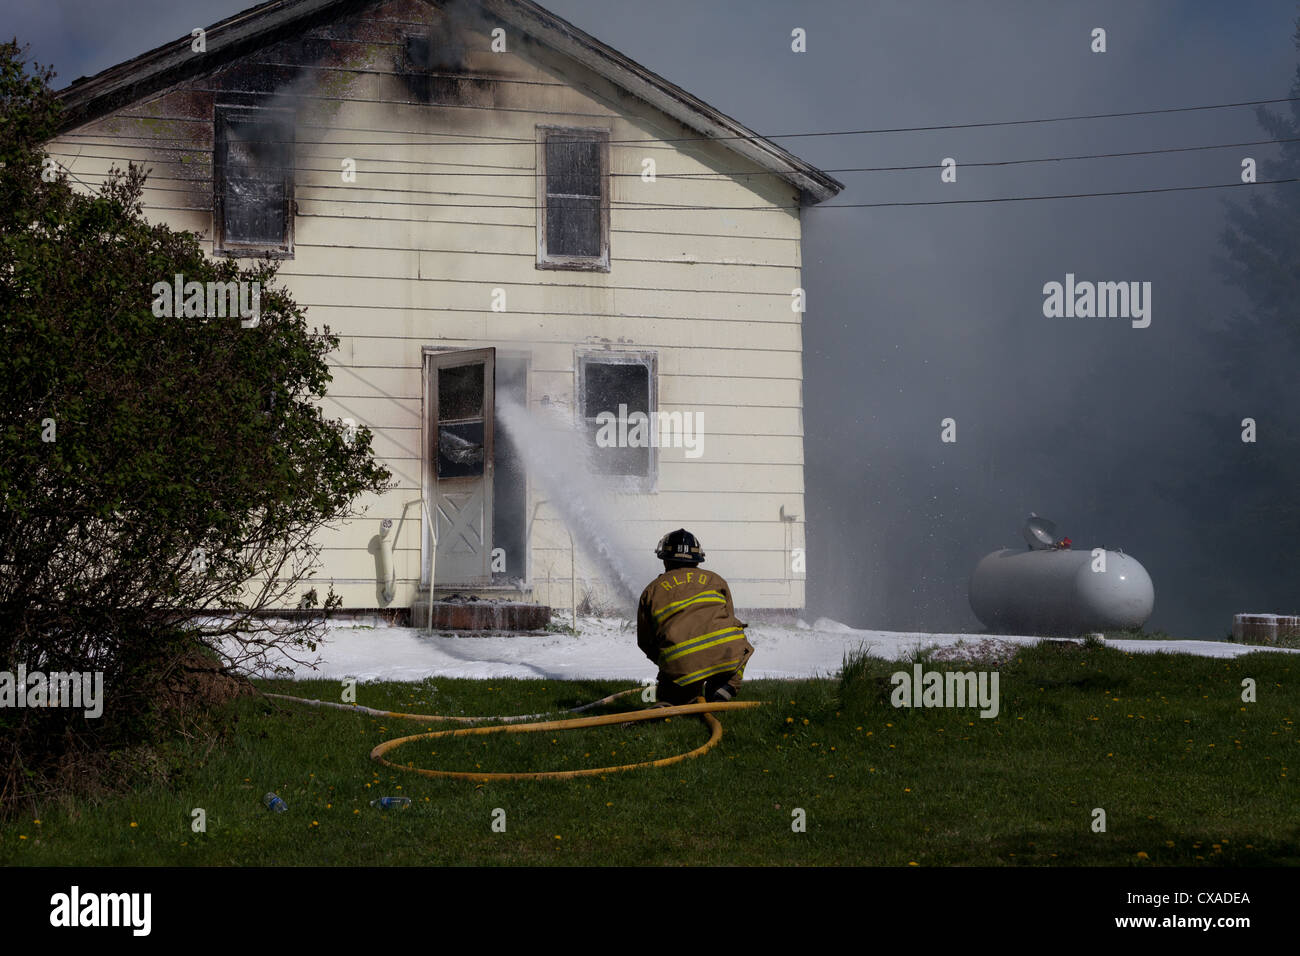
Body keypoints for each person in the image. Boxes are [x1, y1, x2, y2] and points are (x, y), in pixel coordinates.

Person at [636, 529, 754, 706]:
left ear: (665, 559)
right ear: (698, 558)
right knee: (742, 647)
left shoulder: (651, 590)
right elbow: (730, 618)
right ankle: (726, 686)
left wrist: (669, 665)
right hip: (726, 656)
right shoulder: (716, 580)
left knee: (670, 694)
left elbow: (645, 641)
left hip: (681, 665)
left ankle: (672, 699)